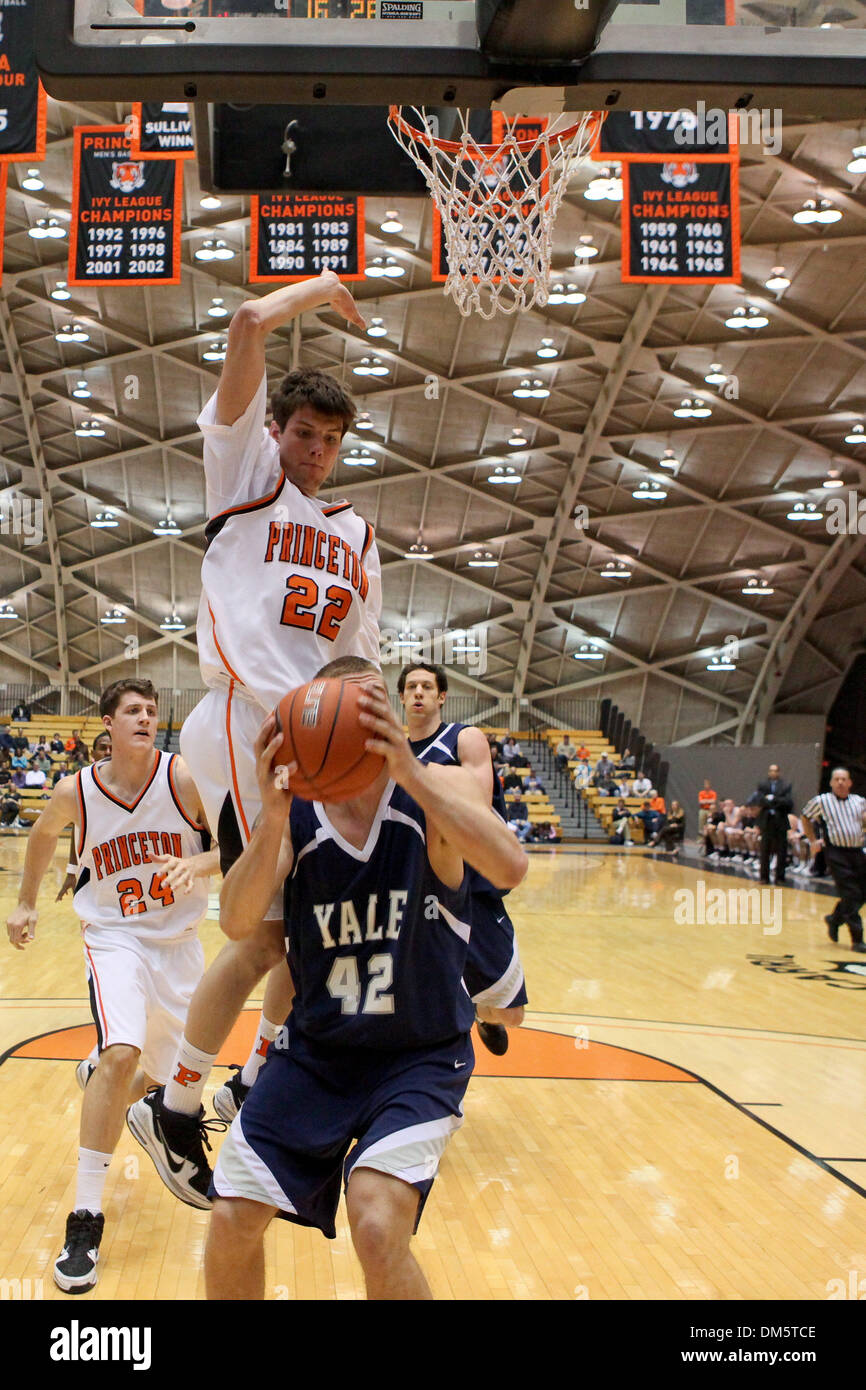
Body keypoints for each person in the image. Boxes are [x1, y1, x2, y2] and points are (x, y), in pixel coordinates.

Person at [124, 271, 380, 1197]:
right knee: (263, 933)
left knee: (302, 937)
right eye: (302, 433)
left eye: (329, 439)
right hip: (242, 721)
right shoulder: (245, 473)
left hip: (308, 741)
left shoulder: (356, 532)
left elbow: (360, 660)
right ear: (276, 433)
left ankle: (246, 1078)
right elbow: (241, 323)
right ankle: (175, 1104)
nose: (314, 450)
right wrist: (322, 289)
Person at [180, 658, 527, 1301]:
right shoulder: (296, 817)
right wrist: (273, 814)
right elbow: (234, 921)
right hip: (317, 1052)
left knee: (375, 1222)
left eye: (375, 710)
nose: (365, 724)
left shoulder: (430, 793)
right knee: (231, 1217)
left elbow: (509, 865)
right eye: (349, 713)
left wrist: (411, 772)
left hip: (419, 1055)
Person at [6, 678, 219, 1293]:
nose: (145, 718)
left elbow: (241, 847)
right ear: (107, 723)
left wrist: (201, 862)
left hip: (179, 948)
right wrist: (25, 905)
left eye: (152, 711)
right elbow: (43, 835)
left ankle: (117, 1091)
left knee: (155, 1078)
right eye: (132, 710)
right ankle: (85, 1218)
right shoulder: (79, 790)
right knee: (122, 1054)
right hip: (114, 939)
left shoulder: (183, 780)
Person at [397, 662, 528, 1057]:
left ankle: (479, 1013)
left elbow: (477, 798)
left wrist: (410, 770)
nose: (419, 692)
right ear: (401, 697)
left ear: (441, 697)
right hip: (418, 888)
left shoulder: (464, 737)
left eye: (427, 686)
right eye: (411, 687)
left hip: (471, 885)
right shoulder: (395, 752)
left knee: (512, 1013)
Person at [800, 768, 866, 952]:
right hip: (836, 852)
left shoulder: (860, 801)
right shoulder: (821, 801)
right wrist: (813, 840)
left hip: (857, 852)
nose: (840, 782)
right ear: (831, 783)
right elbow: (805, 817)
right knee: (851, 894)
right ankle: (857, 939)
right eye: (836, 779)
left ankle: (835, 919)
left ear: (850, 783)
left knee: (862, 893)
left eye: (844, 779)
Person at [750, 763, 793, 885]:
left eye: (775, 771)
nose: (773, 773)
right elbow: (760, 800)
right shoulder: (762, 785)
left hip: (780, 821)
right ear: (769, 772)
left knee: (781, 850)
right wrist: (774, 801)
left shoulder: (785, 785)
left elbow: (788, 802)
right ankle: (764, 877)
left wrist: (772, 799)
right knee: (765, 850)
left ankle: (780, 877)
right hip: (767, 821)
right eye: (771, 771)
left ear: (779, 773)